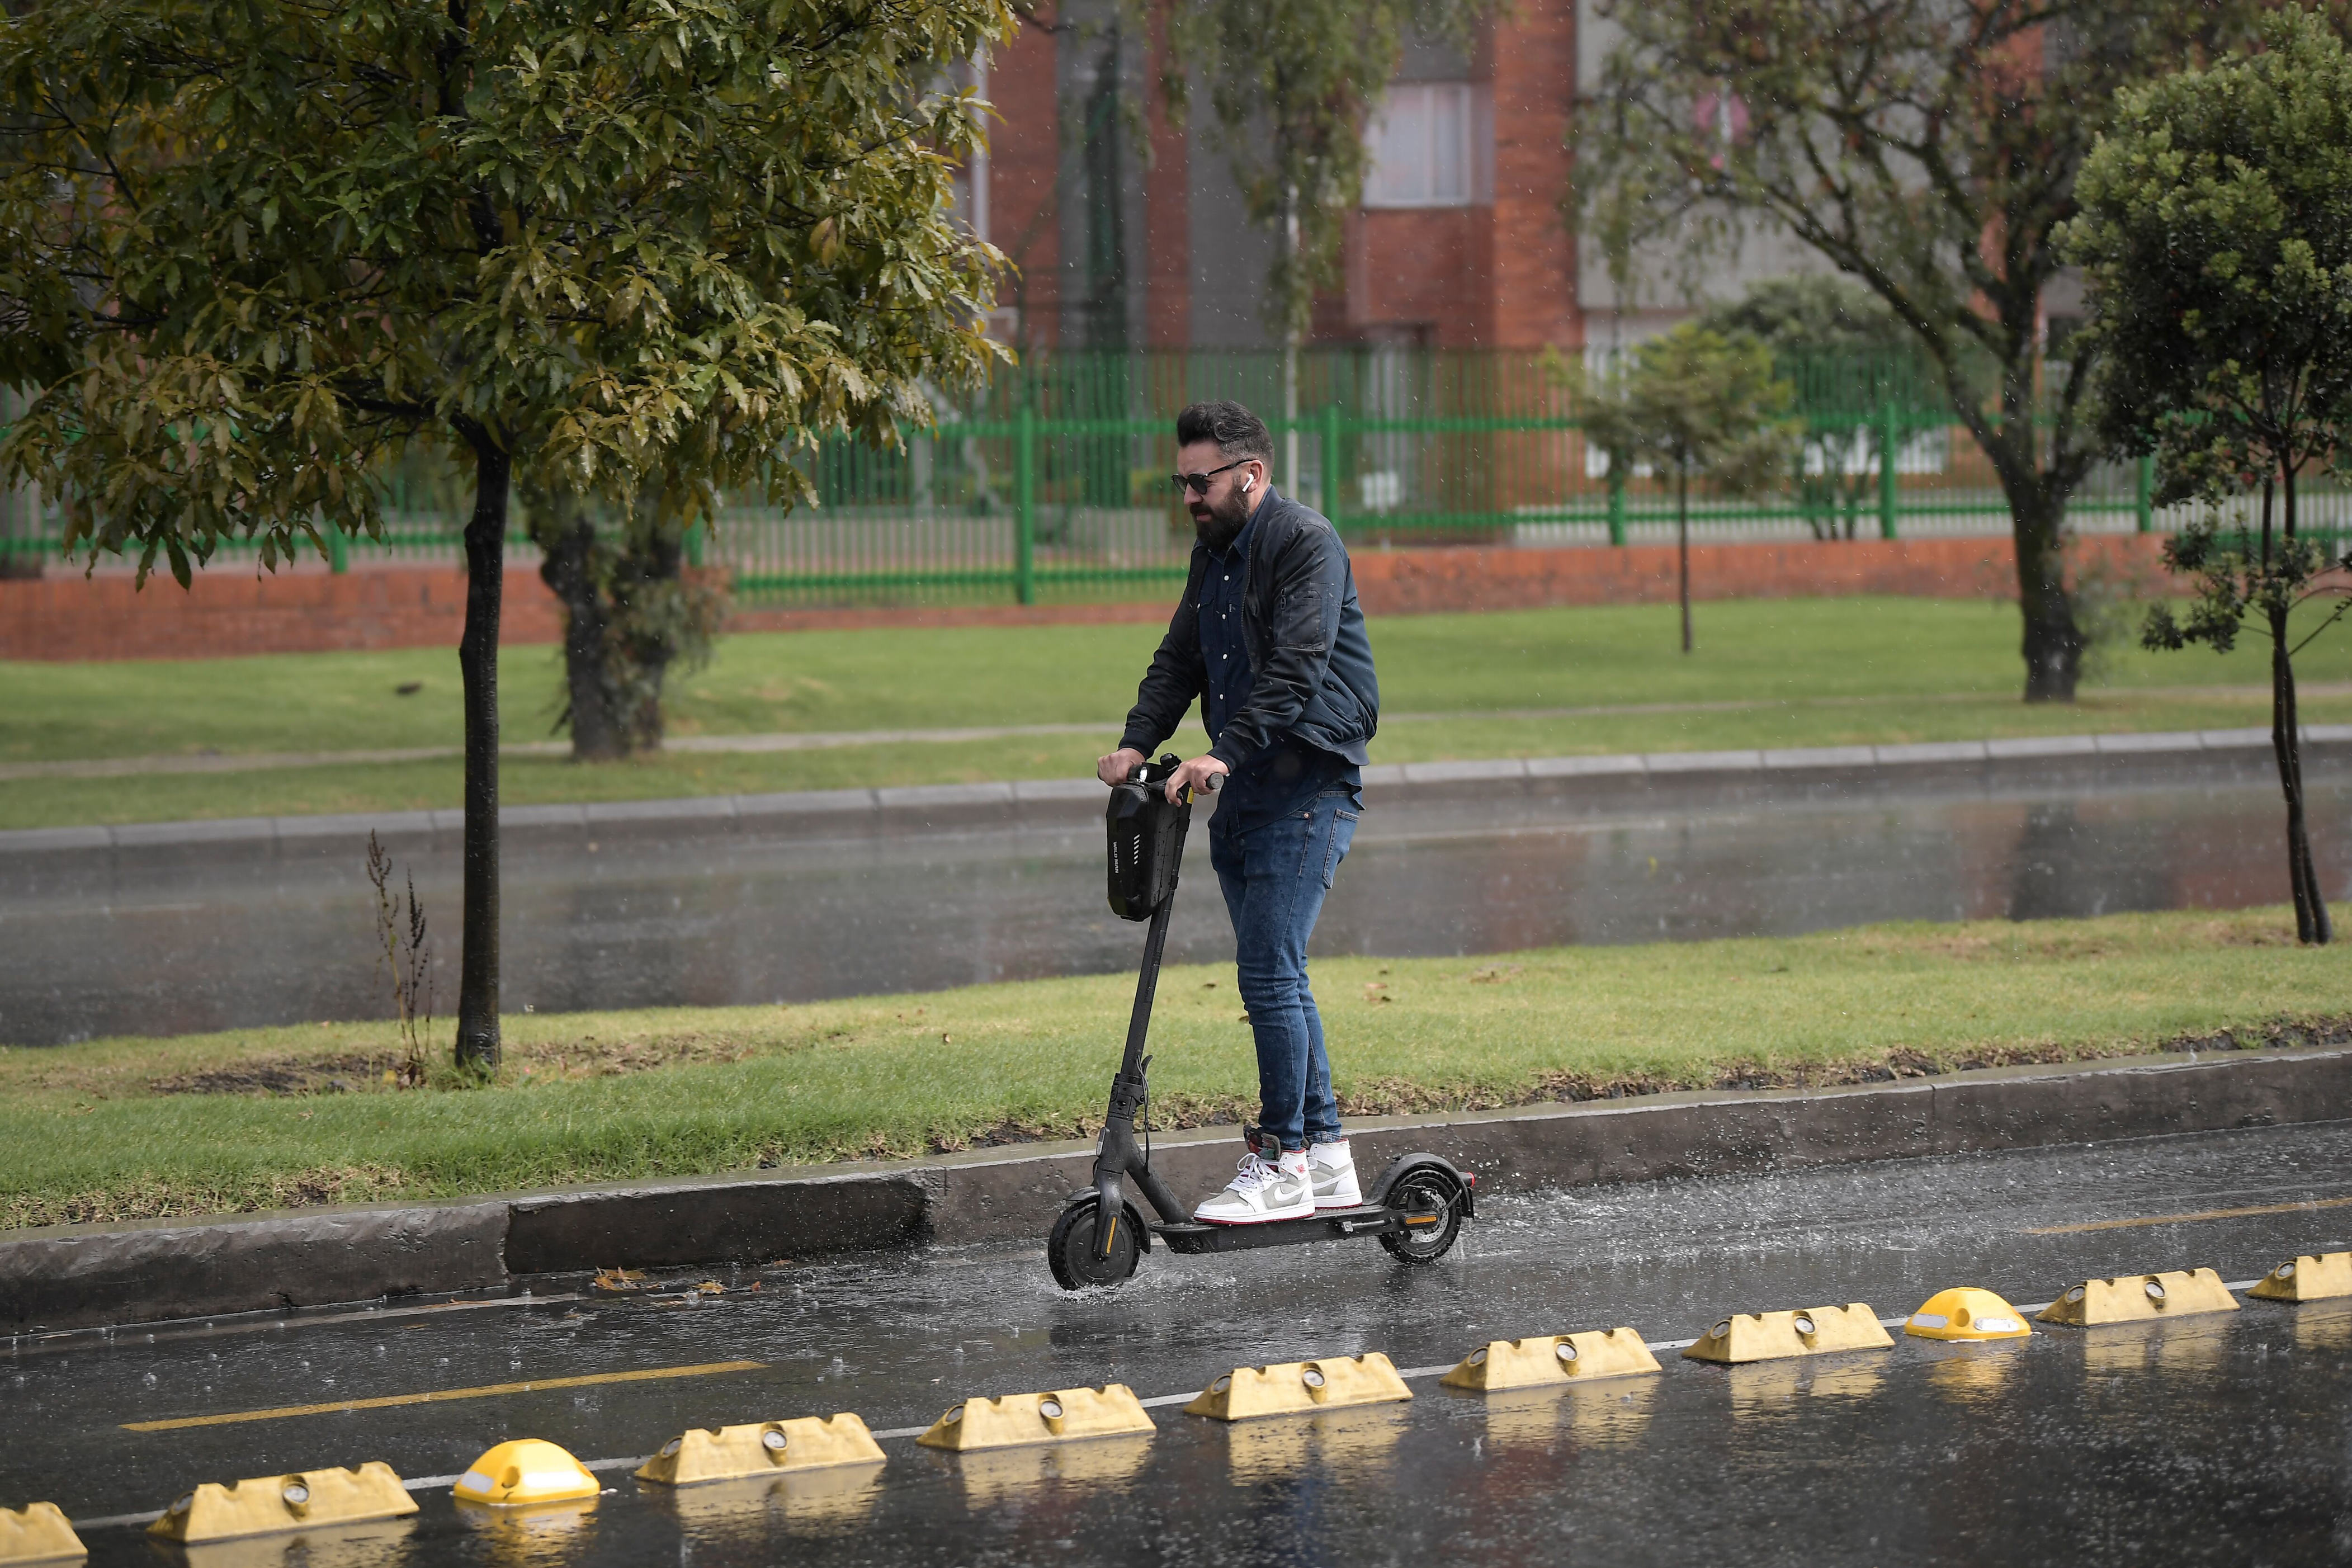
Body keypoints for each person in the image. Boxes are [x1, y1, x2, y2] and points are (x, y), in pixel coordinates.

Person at [1097, 399, 1379, 1224]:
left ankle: (1283, 1161)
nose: (1188, 496)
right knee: (1278, 974)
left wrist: (1222, 751)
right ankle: (1326, 1157)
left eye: (1201, 481)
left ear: (1250, 475)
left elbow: (1297, 667)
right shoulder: (1214, 554)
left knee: (1268, 973)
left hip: (1309, 783)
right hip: (1248, 785)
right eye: (1180, 482)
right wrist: (1136, 741)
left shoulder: (1305, 543)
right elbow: (1180, 658)